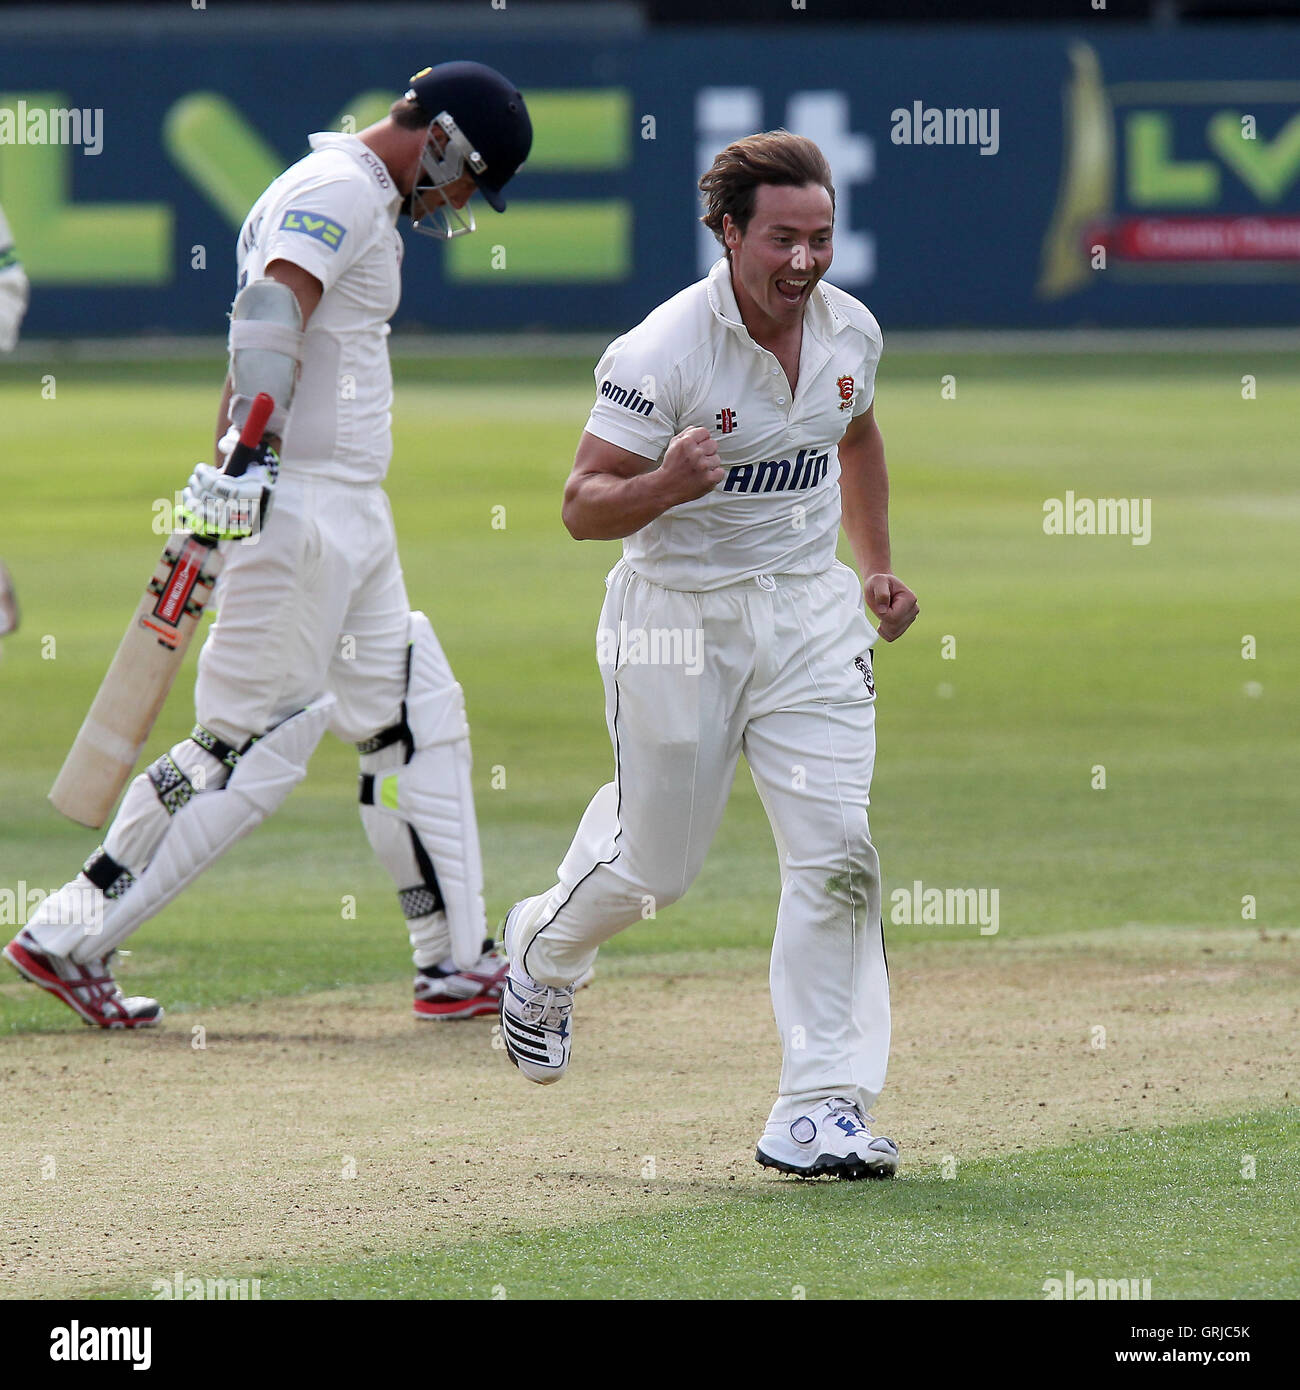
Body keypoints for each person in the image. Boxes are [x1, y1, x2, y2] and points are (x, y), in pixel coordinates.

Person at [5, 62, 532, 1028]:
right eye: (469, 178)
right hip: (301, 509)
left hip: (346, 511)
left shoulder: (361, 195)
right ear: (445, 138)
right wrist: (247, 455)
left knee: (412, 706)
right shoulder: (336, 189)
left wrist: (233, 459)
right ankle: (69, 934)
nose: (459, 203)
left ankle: (456, 960)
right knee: (253, 745)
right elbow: (271, 313)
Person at [498, 131, 919, 1179]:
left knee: (838, 854)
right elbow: (581, 508)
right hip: (673, 619)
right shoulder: (661, 353)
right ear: (728, 232)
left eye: (821, 237)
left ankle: (820, 1105)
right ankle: (544, 949)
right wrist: (664, 486)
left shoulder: (849, 331)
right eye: (782, 237)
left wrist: (871, 569)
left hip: (809, 618)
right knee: (657, 869)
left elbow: (855, 434)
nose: (804, 261)